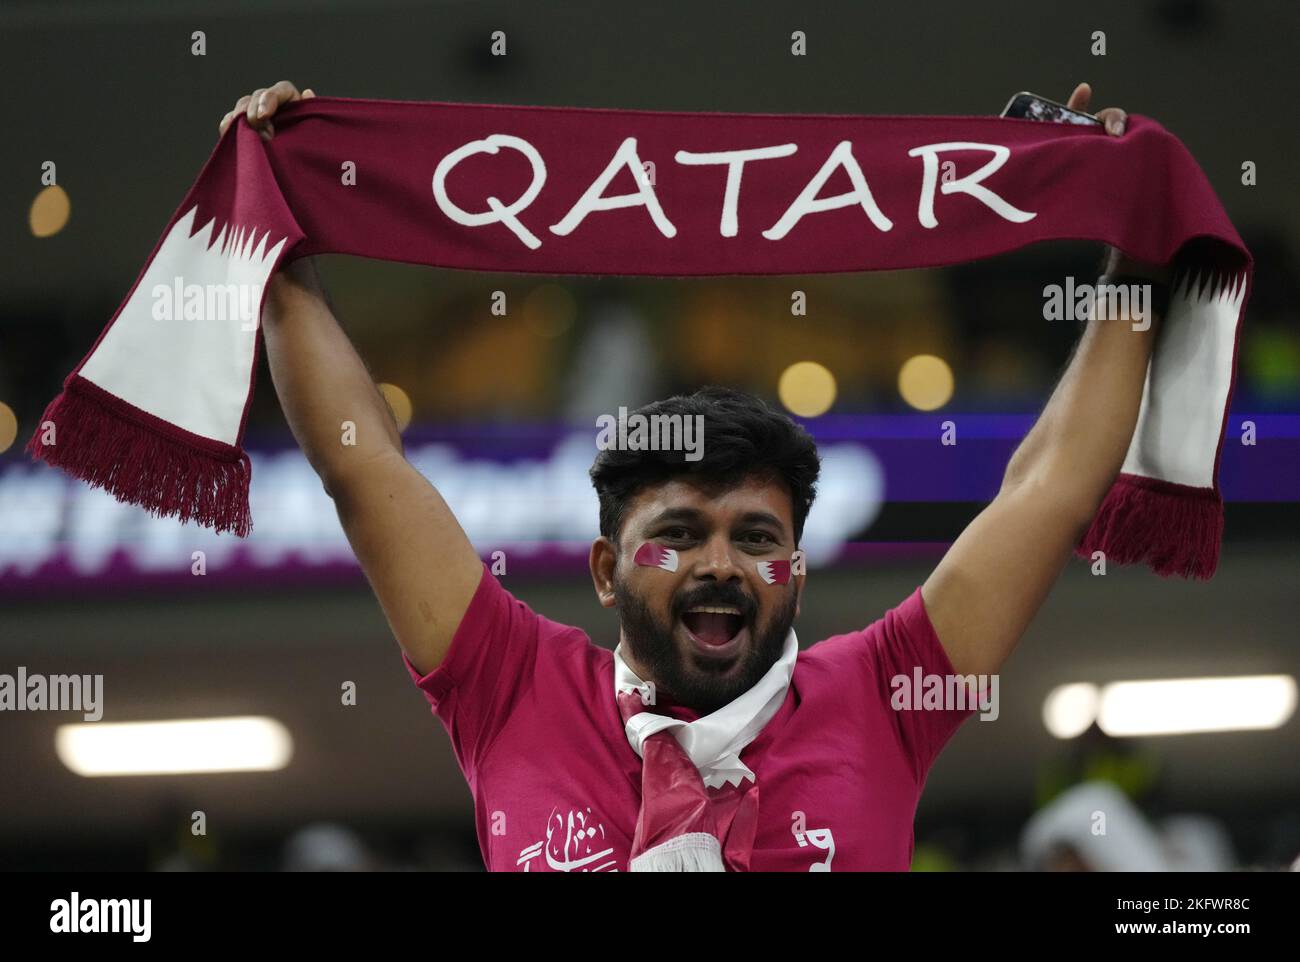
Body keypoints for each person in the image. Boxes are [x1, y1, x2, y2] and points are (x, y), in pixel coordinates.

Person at [218, 81, 1171, 871]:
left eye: (757, 538)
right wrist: (274, 232)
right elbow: (359, 460)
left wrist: (1128, 238)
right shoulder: (512, 687)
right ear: (604, 568)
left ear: (797, 570)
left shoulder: (884, 695)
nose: (719, 563)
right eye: (678, 534)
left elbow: (1049, 489)